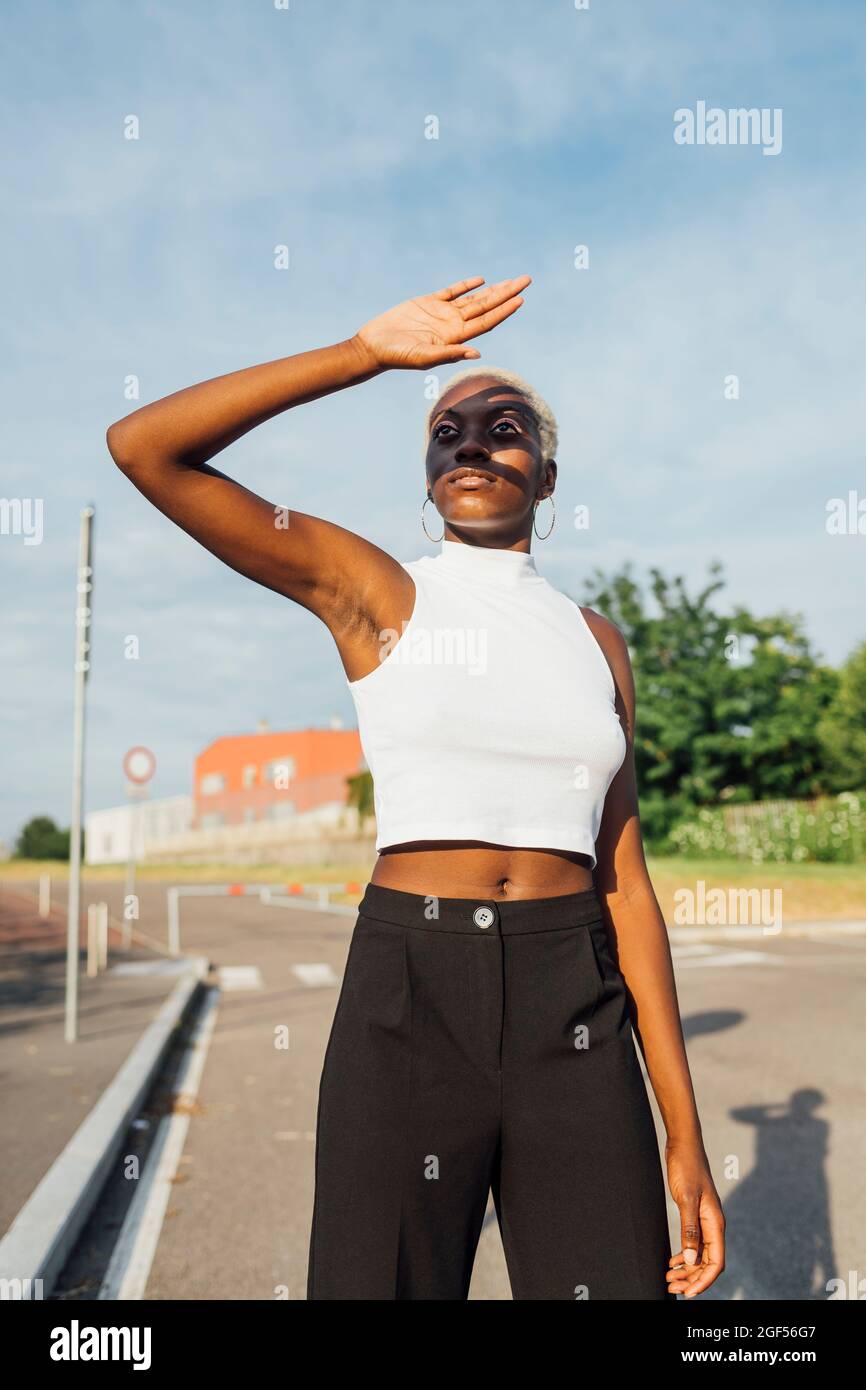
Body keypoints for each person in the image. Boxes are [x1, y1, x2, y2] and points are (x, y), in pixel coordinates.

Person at [106, 274, 725, 1301]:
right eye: (448, 431)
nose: (474, 442)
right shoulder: (375, 589)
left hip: (572, 1003)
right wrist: (362, 354)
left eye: (503, 426)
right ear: (427, 473)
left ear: (549, 472)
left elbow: (627, 887)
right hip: (407, 999)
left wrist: (685, 1135)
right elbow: (147, 448)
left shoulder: (597, 643)